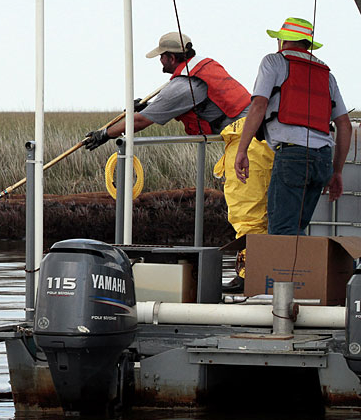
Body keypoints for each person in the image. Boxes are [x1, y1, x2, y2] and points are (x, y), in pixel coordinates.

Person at [83, 32, 274, 293]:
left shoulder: (185, 85)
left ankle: (248, 278)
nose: (160, 61)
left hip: (247, 143)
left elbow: (140, 122)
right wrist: (146, 106)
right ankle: (262, 275)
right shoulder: (201, 71)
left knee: (246, 213)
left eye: (161, 56)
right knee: (260, 212)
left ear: (171, 58)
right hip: (255, 138)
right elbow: (162, 108)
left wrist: (104, 134)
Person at [234, 17, 350, 239]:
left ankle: (285, 264)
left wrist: (242, 150)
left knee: (282, 233)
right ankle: (302, 264)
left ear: (282, 40)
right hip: (323, 160)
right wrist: (337, 171)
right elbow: (344, 125)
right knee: (297, 230)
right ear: (308, 44)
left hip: (292, 156)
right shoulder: (327, 75)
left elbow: (259, 105)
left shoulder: (273, 61)